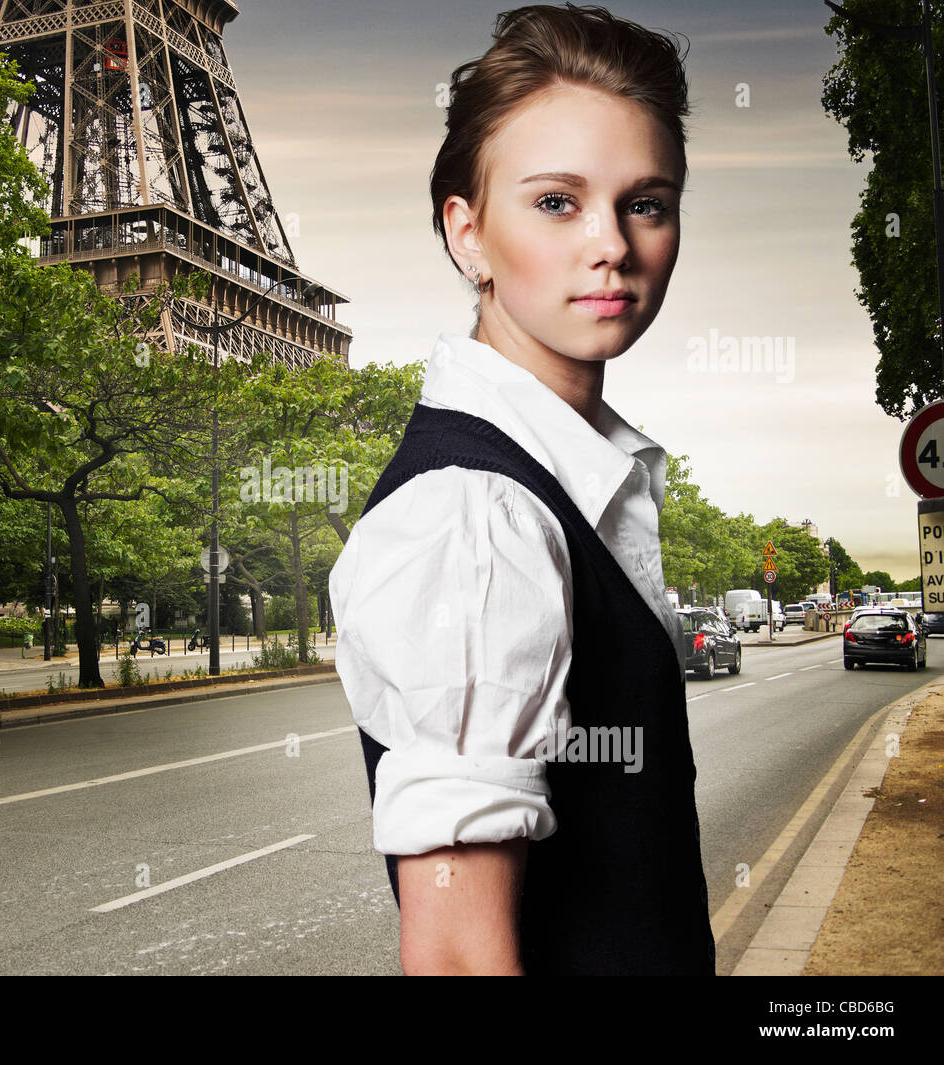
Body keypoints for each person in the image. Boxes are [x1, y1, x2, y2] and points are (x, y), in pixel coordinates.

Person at [329, 3, 714, 975]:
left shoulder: (552, 484)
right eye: (555, 201)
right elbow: (458, 957)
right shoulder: (472, 515)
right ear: (466, 232)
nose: (612, 246)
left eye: (646, 202)